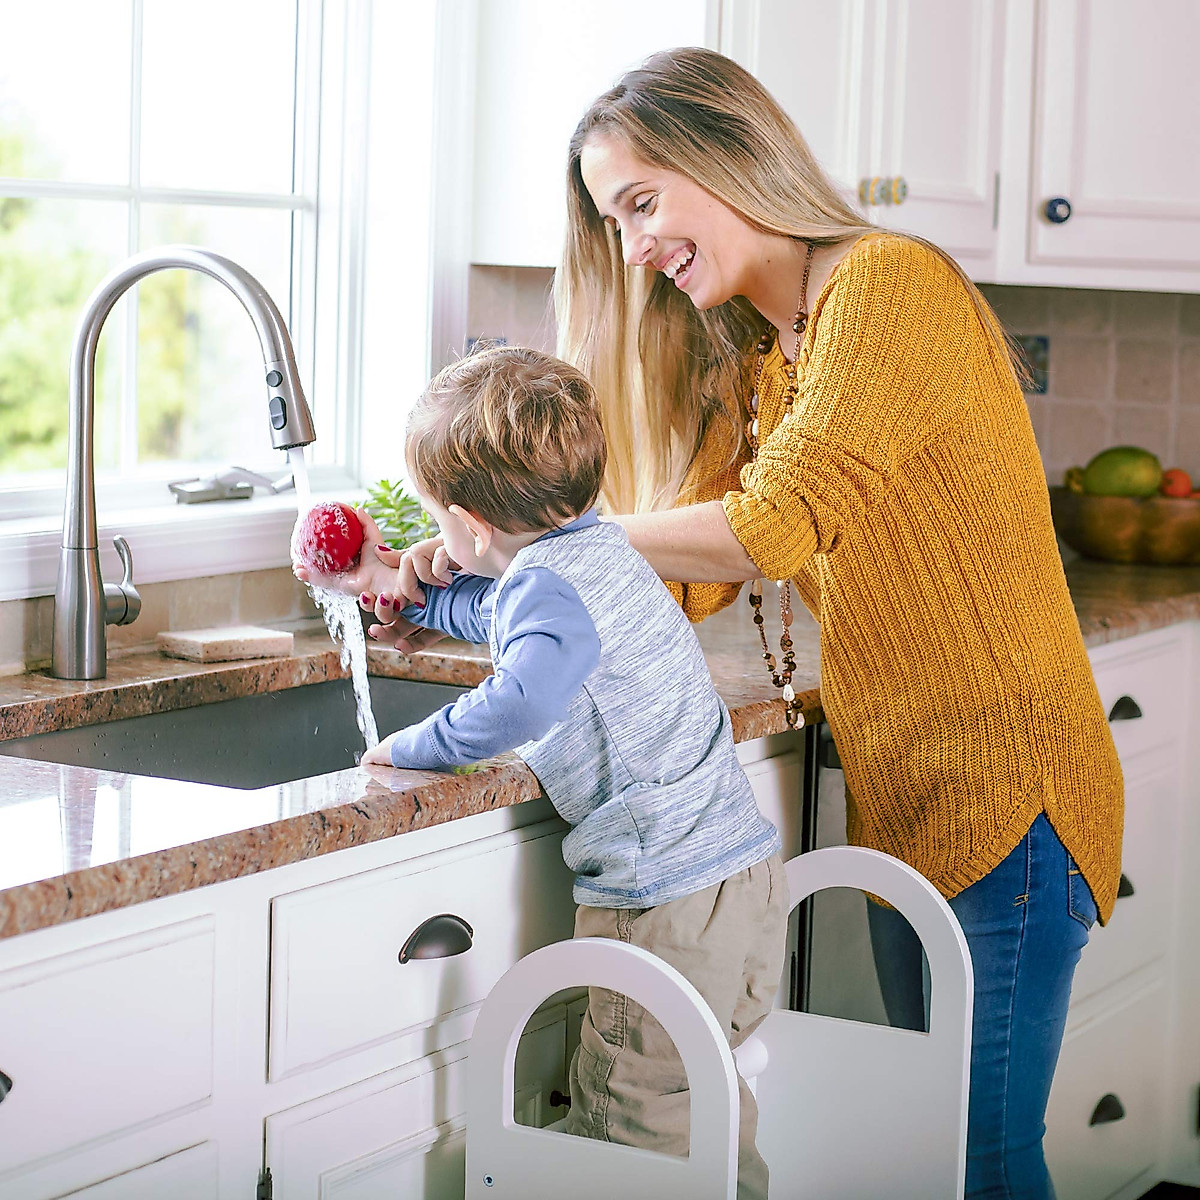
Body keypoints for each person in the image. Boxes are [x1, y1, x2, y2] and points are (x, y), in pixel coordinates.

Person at [374, 46, 1124, 1200]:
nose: (633, 249)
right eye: (612, 221)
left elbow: (772, 528)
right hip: (910, 790)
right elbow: (689, 579)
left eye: (640, 203)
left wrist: (552, 542)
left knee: (981, 1159)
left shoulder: (888, 285)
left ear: (725, 156)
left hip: (1010, 786)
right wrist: (464, 570)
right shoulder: (765, 355)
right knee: (935, 1152)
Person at [295, 344, 787, 1200]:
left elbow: (523, 697)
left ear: (470, 525)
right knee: (702, 1112)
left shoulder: (546, 587)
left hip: (661, 905)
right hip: (739, 880)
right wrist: (399, 592)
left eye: (436, 523)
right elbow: (502, 608)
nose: (437, 542)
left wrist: (414, 743)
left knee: (629, 1136)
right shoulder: (597, 549)